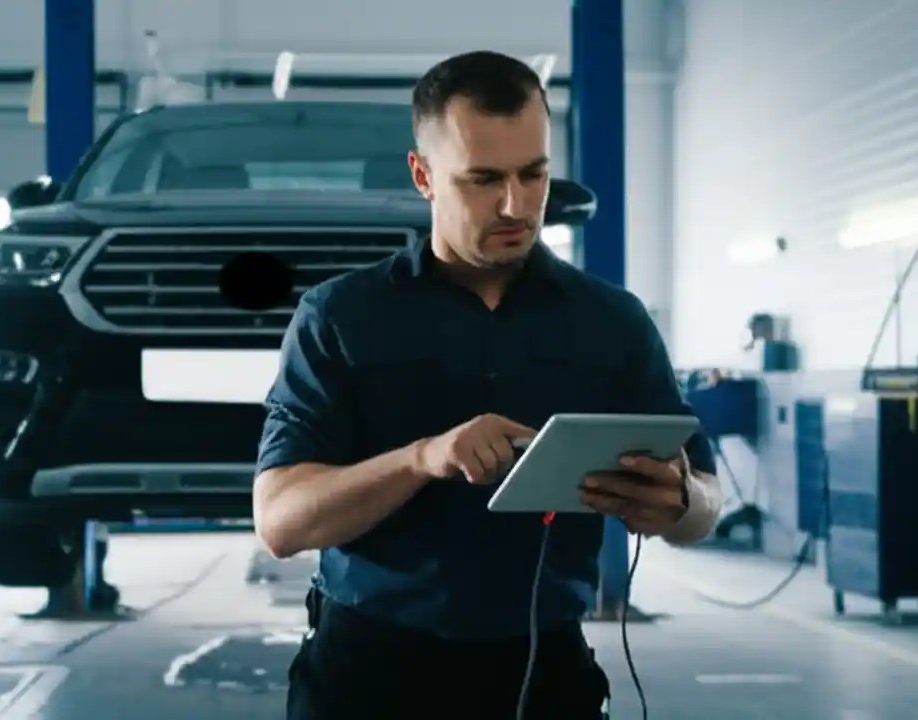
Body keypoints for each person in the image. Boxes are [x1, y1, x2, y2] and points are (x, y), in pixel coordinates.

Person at [252, 50, 725, 719]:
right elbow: (279, 522)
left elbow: (706, 501)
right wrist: (423, 458)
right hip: (369, 675)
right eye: (483, 180)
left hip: (545, 672)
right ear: (423, 176)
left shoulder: (612, 322)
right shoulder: (340, 318)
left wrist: (678, 505)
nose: (516, 204)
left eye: (534, 175)